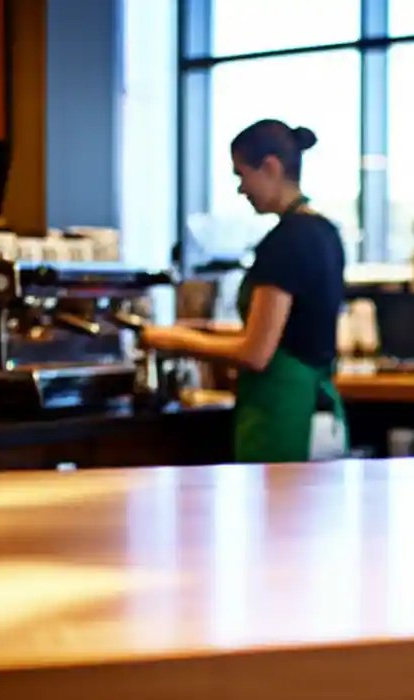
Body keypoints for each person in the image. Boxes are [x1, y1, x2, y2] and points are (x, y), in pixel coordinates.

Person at [142, 119, 347, 463]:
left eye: (241, 174)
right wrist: (203, 330)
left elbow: (256, 352)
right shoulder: (325, 233)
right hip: (321, 410)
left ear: (270, 167)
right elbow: (291, 333)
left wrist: (173, 340)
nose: (240, 189)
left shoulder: (284, 242)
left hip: (281, 417)